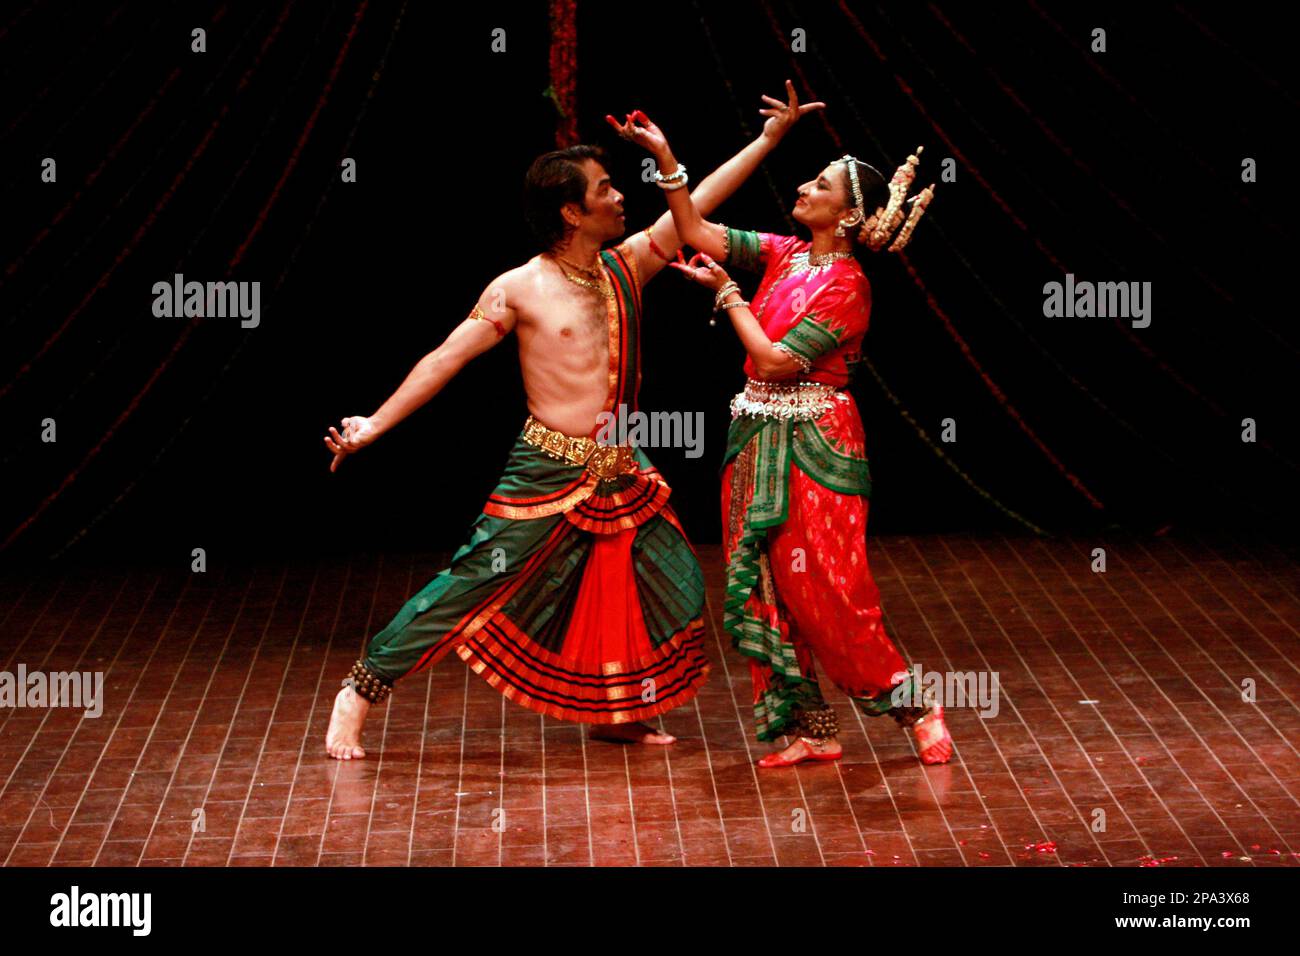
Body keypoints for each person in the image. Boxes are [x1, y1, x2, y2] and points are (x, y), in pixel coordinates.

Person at [320, 84, 824, 759]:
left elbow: (697, 204)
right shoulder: (519, 287)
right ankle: (360, 689)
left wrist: (767, 141)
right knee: (471, 584)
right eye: (607, 188)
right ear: (571, 211)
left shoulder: (629, 264)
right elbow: (444, 357)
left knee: (665, 582)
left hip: (622, 465)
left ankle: (617, 713)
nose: (622, 197)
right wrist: (374, 424)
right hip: (547, 467)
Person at [621, 107, 953, 766]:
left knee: (827, 585)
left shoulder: (849, 286)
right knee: (766, 586)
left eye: (821, 185)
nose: (803, 188)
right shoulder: (783, 252)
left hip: (815, 443)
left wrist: (729, 298)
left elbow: (775, 361)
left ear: (848, 215)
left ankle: (913, 702)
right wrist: (665, 156)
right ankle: (811, 729)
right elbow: (691, 227)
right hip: (753, 436)